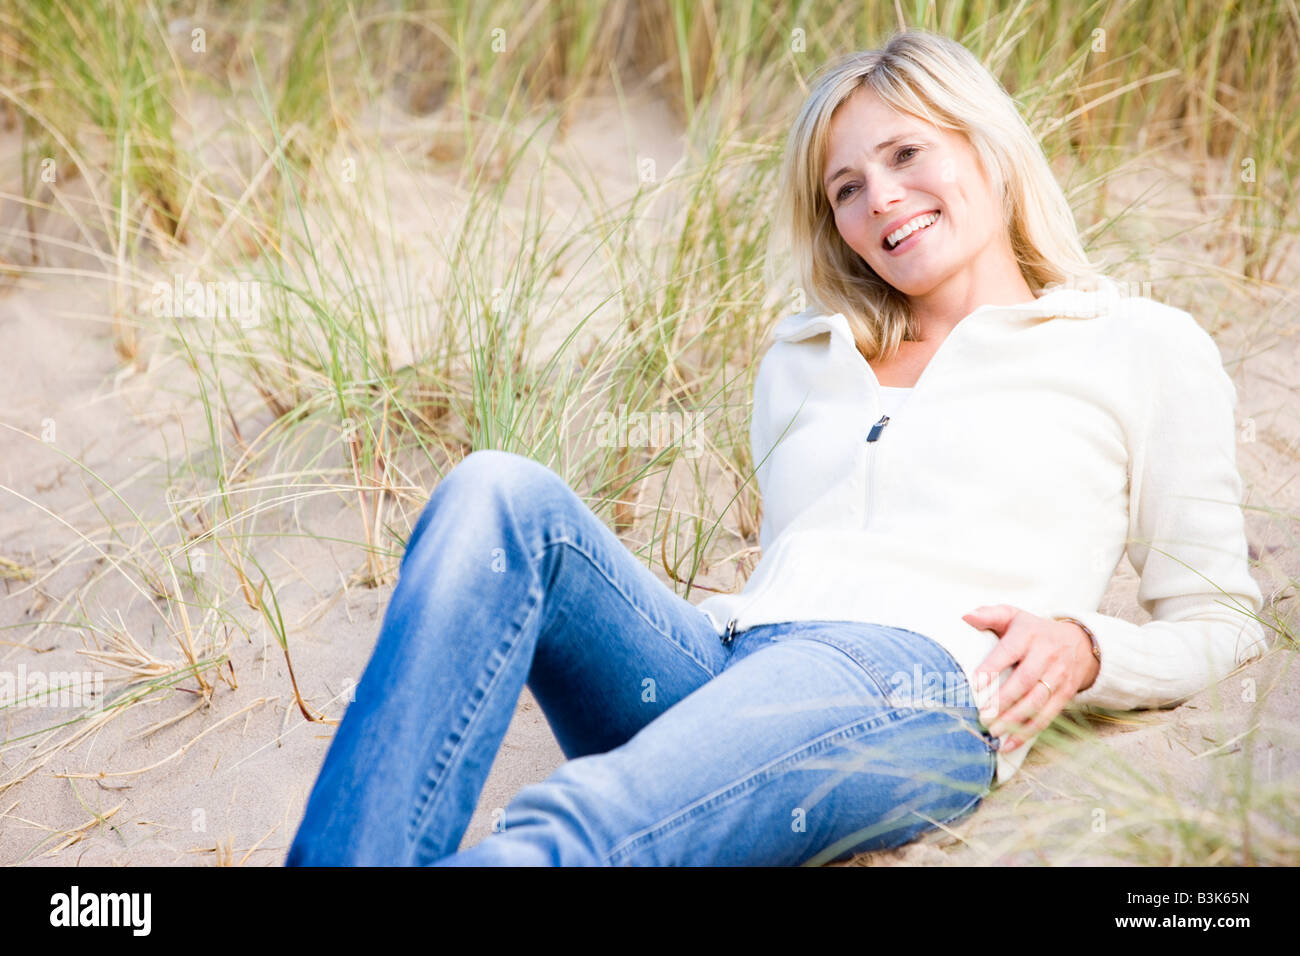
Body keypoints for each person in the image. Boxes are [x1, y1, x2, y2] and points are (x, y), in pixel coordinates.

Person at [284, 28, 1268, 867]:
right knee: (496, 490)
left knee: (584, 818)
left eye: (905, 155)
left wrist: (1087, 644)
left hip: (915, 680)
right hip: (727, 661)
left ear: (988, 149)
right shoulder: (802, 358)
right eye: (845, 187)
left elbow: (1219, 618)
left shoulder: (1137, 344)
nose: (878, 198)